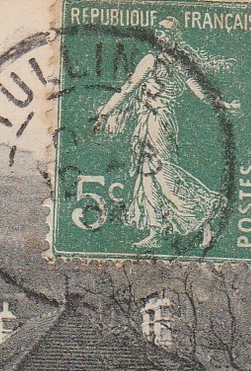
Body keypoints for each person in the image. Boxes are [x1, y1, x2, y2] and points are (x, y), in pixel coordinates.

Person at [93, 17, 241, 249]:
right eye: (159, 31)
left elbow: (199, 90)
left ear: (174, 37)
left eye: (166, 32)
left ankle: (205, 214)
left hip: (160, 122)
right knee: (147, 176)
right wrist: (105, 112)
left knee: (163, 176)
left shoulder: (179, 64)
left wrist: (221, 103)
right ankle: (156, 231)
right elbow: (129, 88)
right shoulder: (150, 60)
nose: (161, 36)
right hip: (146, 121)